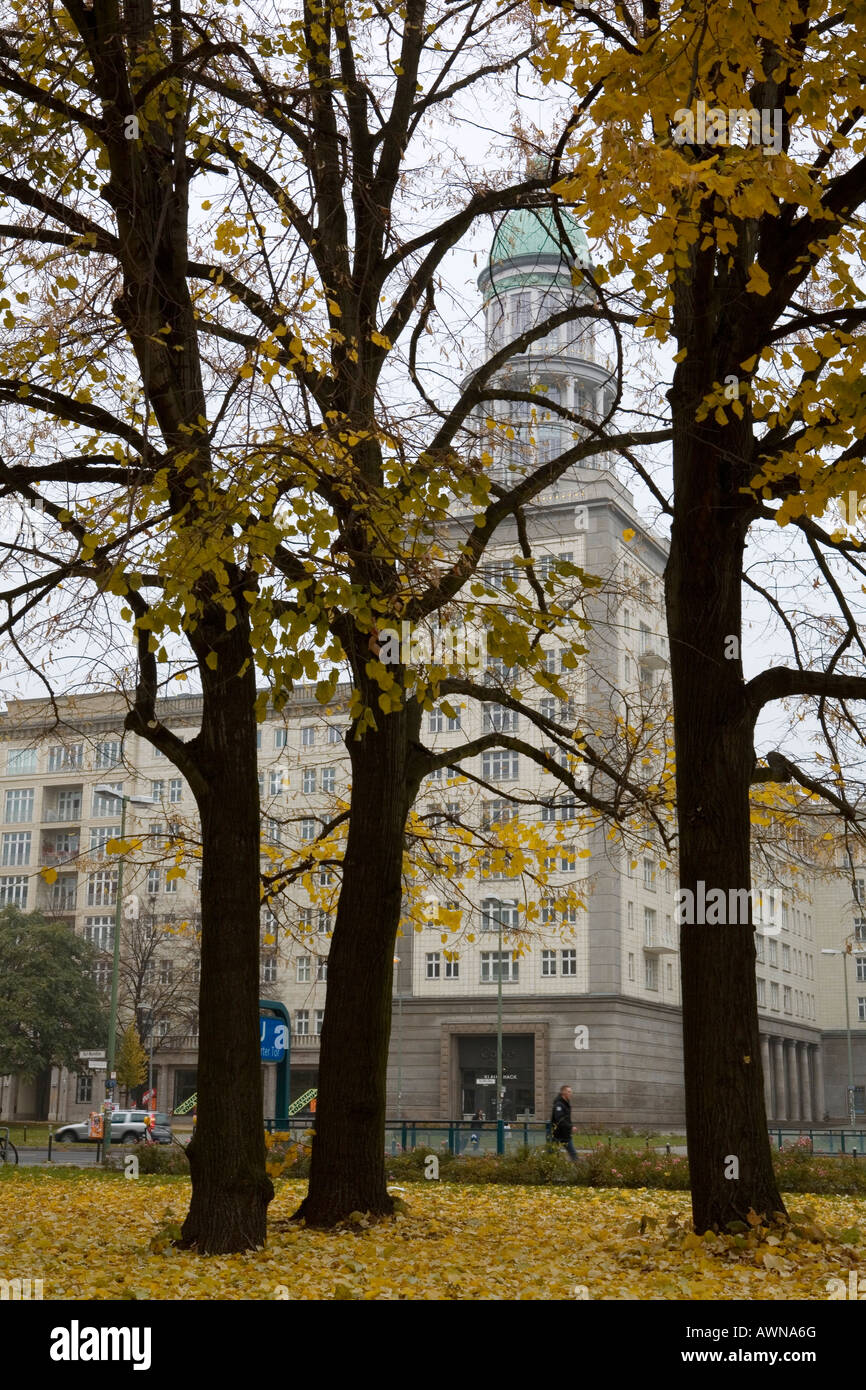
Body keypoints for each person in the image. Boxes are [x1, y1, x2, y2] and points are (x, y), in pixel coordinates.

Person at [550, 1084, 578, 1162]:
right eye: (568, 1092)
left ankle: (578, 1170)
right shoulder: (559, 1105)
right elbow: (560, 1119)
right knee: (551, 1154)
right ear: (563, 1093)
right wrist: (570, 1127)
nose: (570, 1093)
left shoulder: (566, 1104)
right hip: (557, 1134)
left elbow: (567, 1119)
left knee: (573, 1154)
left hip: (566, 1135)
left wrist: (570, 1127)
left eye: (571, 1092)